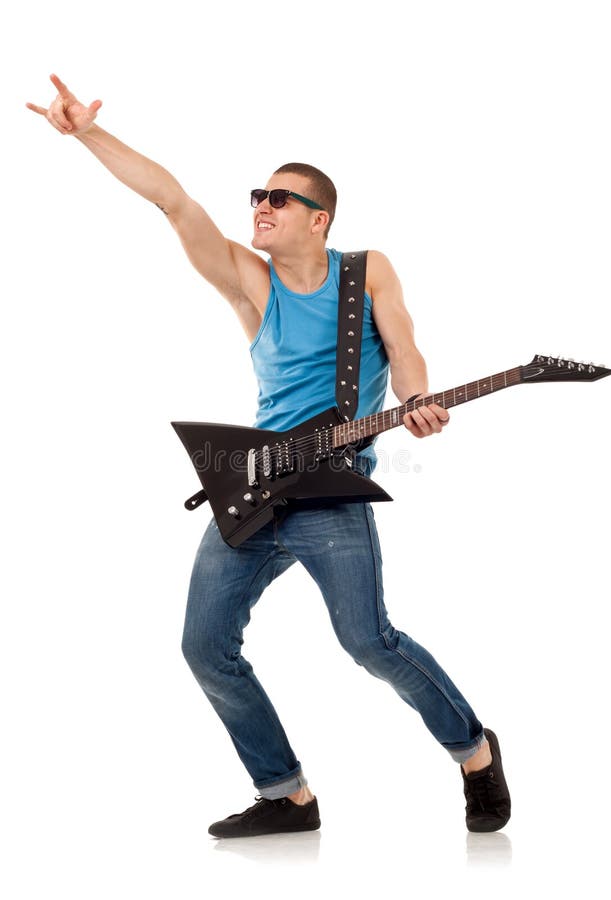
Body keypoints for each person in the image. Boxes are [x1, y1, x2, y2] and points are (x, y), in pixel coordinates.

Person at [27, 73, 511, 838]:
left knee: (368, 642)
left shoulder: (365, 270)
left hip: (332, 489)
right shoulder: (250, 284)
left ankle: (475, 753)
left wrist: (415, 400)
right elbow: (172, 200)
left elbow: (407, 348)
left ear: (318, 220)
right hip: (253, 486)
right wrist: (87, 133)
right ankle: (285, 794)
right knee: (204, 646)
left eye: (278, 197)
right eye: (257, 193)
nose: (260, 204)